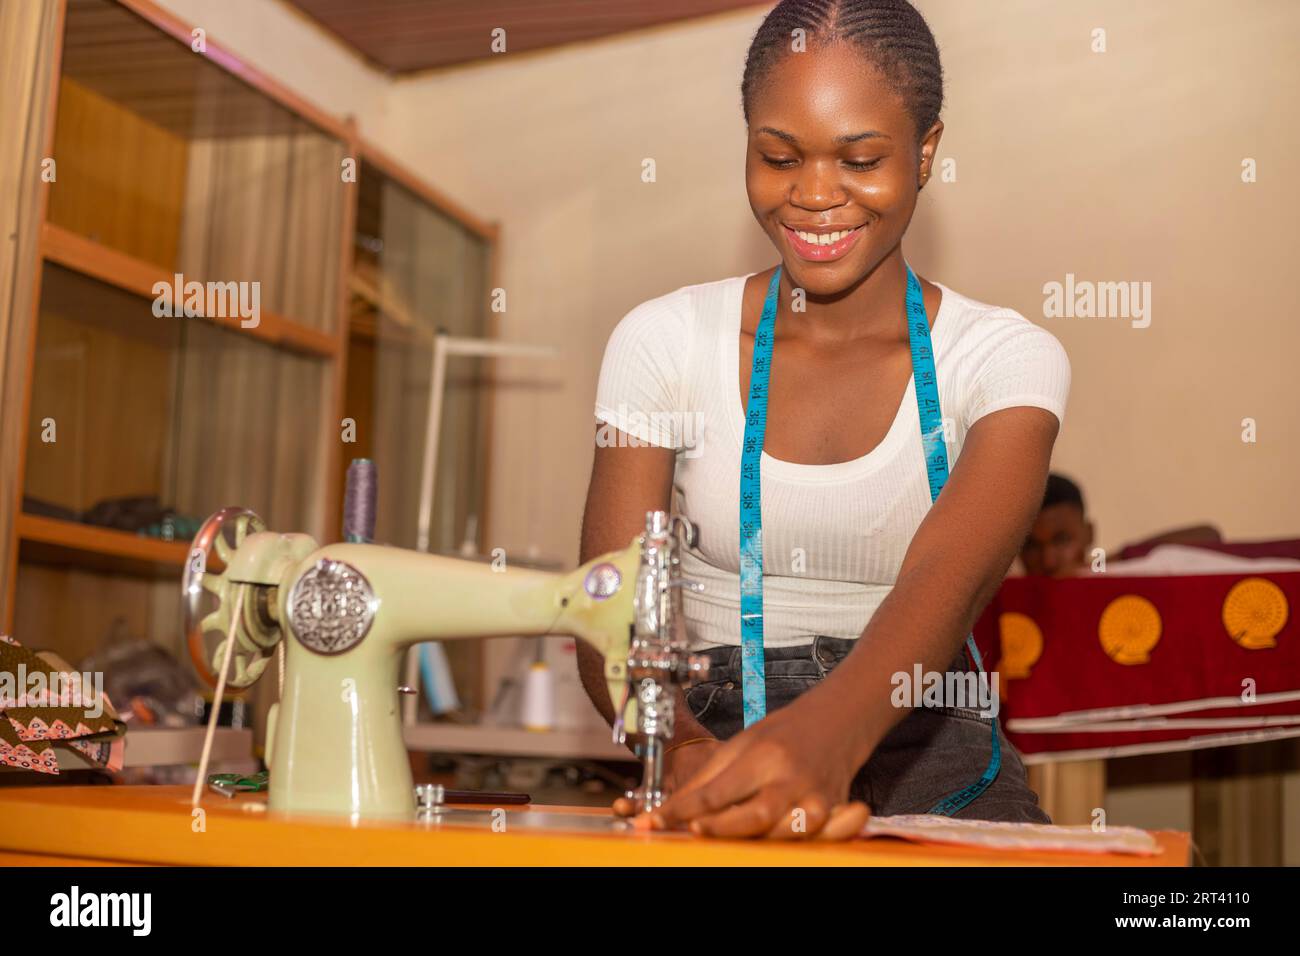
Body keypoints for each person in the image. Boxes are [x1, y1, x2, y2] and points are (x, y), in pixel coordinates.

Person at [578, 0, 1070, 840]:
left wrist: (818, 743)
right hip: (709, 727)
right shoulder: (661, 343)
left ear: (926, 152)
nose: (811, 195)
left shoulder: (1005, 360)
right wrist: (687, 753)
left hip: (927, 730)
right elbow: (607, 612)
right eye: (778, 156)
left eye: (861, 158)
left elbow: (946, 584)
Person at [1019, 473, 1222, 577]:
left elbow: (1209, 535)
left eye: (1061, 541)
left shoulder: (1110, 574)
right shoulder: (1003, 598)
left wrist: (1096, 567)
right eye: (1032, 545)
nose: (1048, 561)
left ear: (1089, 533)